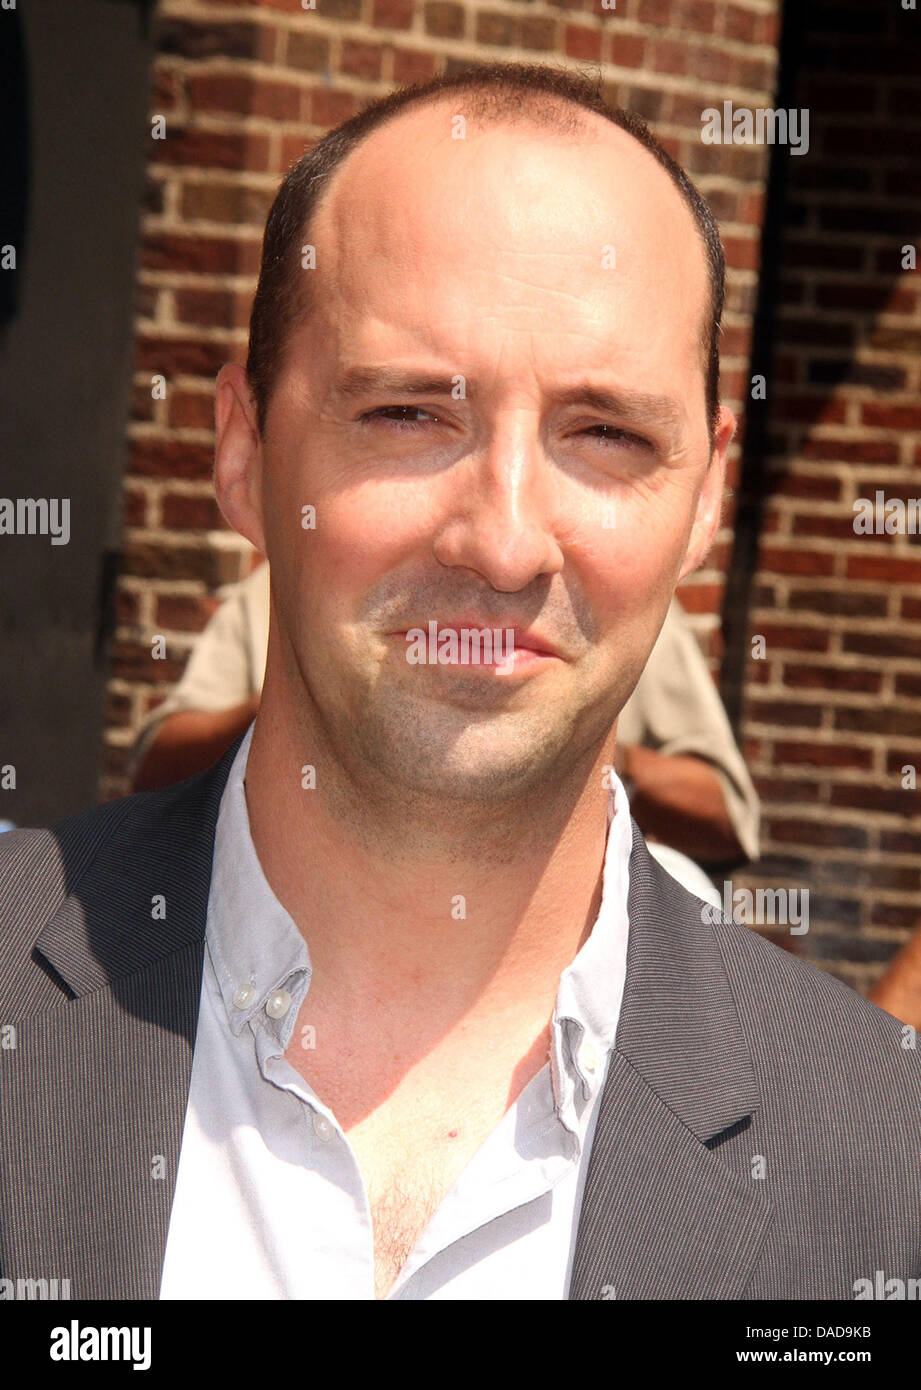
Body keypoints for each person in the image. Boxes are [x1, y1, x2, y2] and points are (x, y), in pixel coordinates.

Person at [1, 65, 919, 1302]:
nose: (502, 543)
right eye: (406, 415)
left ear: (706, 501)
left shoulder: (882, 1168)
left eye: (607, 434)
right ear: (241, 452)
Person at [130, 559, 761, 894]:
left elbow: (727, 815)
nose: (497, 553)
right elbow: (157, 765)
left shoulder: (604, 611)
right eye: (406, 419)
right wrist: (302, 695)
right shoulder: (288, 590)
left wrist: (586, 746)